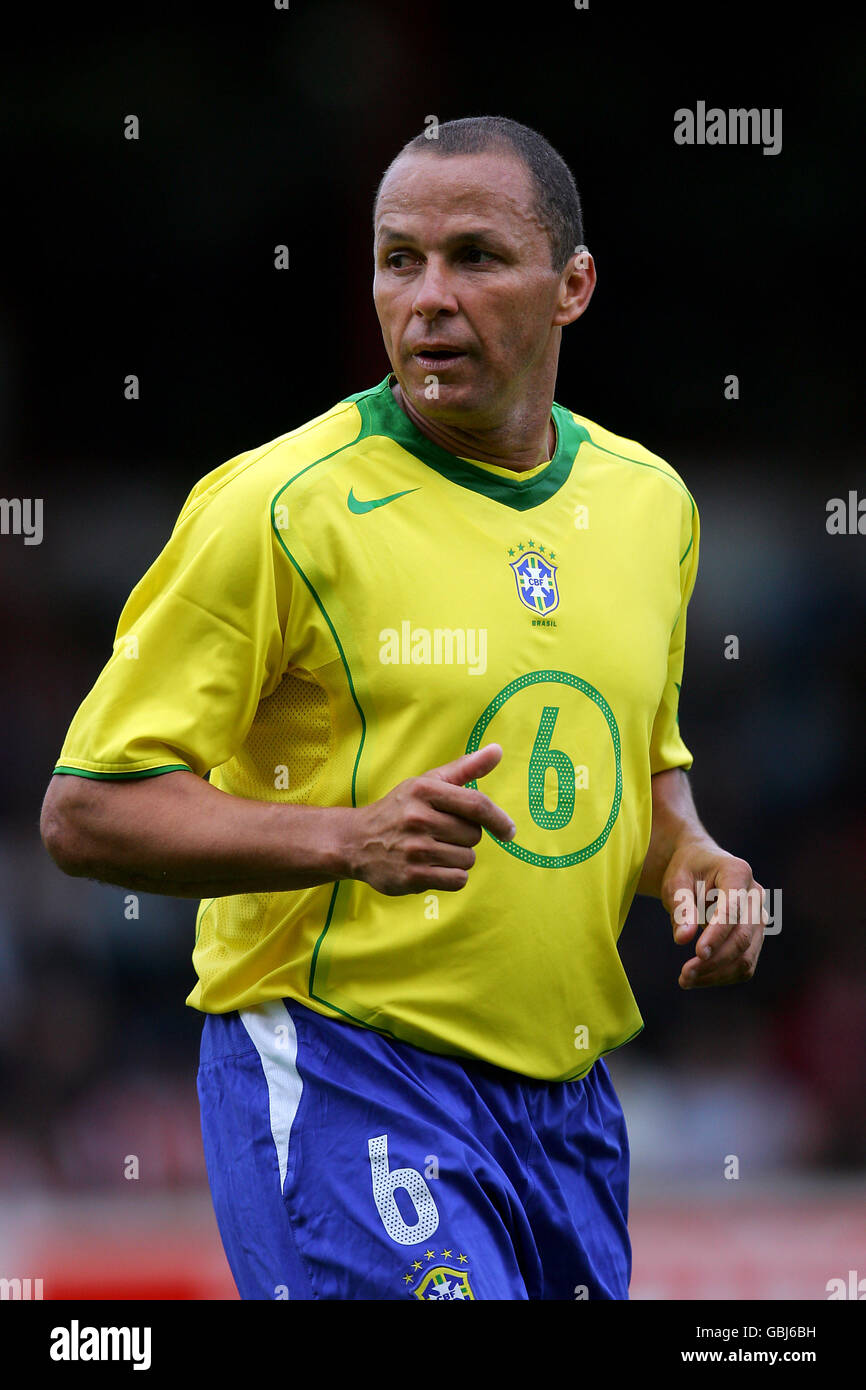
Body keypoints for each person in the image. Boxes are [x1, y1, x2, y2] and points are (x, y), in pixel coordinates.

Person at [40, 115, 765, 1301]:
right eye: (398, 260)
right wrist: (344, 835)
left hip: (565, 1103)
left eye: (475, 257)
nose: (428, 298)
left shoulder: (649, 507)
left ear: (571, 286)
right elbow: (86, 813)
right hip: (345, 1071)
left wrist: (695, 859)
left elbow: (626, 782)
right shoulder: (276, 507)